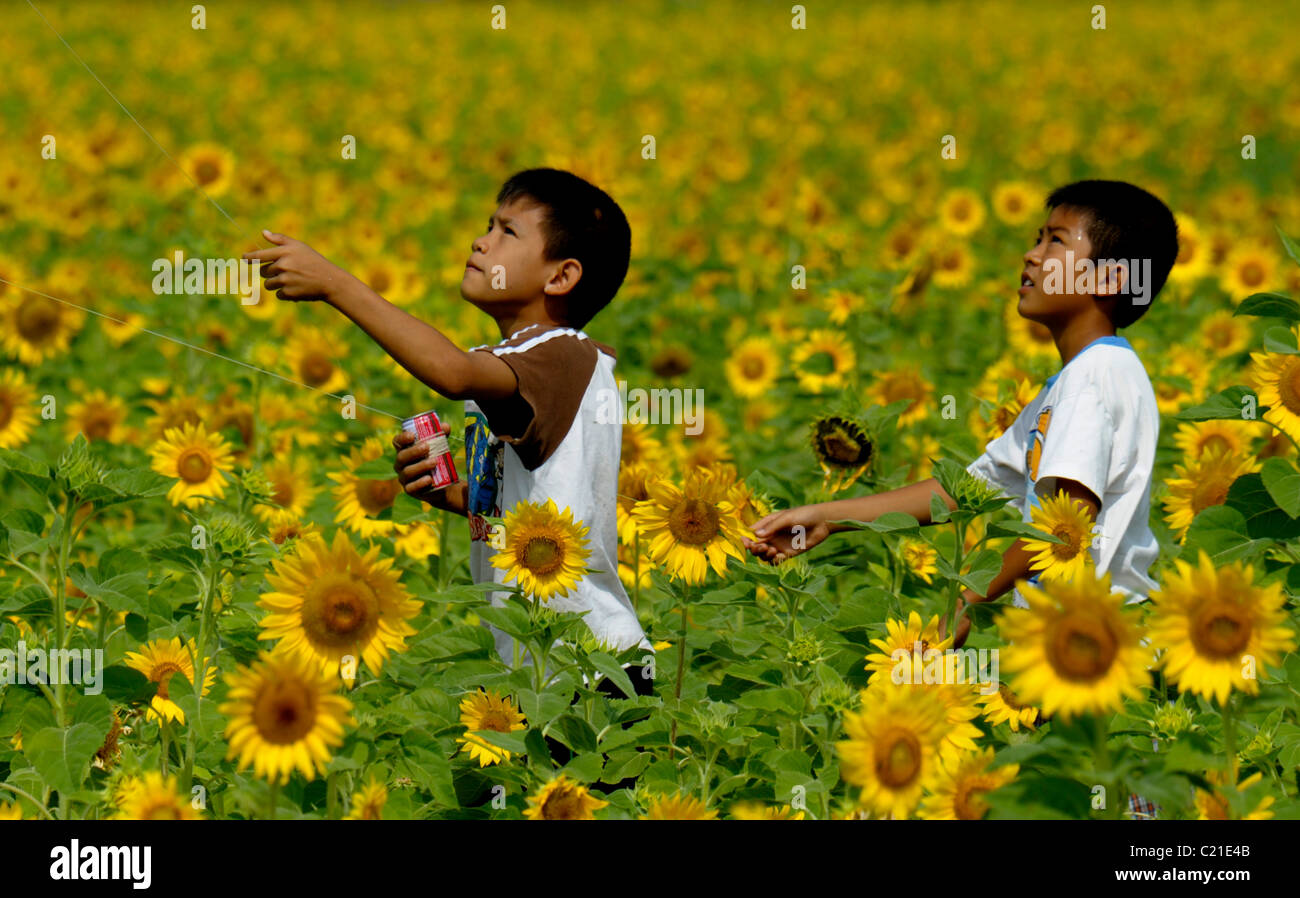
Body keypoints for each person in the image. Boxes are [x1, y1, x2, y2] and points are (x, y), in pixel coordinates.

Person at [243, 167, 654, 702]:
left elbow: (452, 372)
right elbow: (536, 508)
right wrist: (455, 496)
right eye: (488, 225)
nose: (481, 241)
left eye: (507, 231)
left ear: (560, 277)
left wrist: (334, 283)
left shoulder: (559, 357)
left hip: (587, 672)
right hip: (539, 670)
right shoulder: (538, 363)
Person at [745, 180, 1178, 664]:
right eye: (1038, 238)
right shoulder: (1074, 381)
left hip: (1101, 646)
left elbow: (1065, 527)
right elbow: (965, 491)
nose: (1031, 256)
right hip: (1068, 640)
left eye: (1056, 241)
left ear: (1111, 279)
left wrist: (968, 598)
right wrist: (826, 516)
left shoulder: (1096, 376)